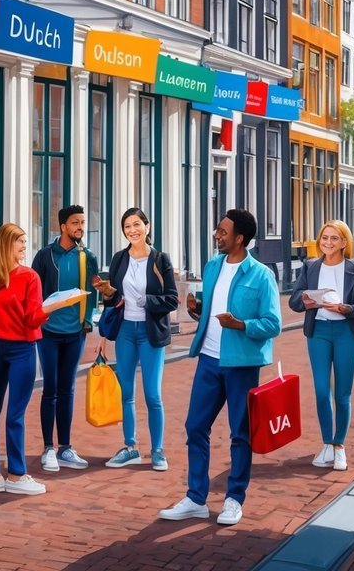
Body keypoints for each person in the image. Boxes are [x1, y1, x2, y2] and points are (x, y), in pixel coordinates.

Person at [159, 209, 281, 527]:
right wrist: (198, 310)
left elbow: (273, 323)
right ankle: (196, 498)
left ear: (240, 238)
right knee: (195, 427)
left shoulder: (261, 275)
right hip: (209, 360)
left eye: (223, 231)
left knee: (240, 434)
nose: (217, 235)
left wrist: (240, 324)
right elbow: (211, 311)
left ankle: (233, 499)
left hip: (241, 364)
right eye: (217, 230)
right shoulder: (212, 267)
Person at [0, 223, 62, 497]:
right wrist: (52, 308)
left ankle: (4, 474)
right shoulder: (16, 277)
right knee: (0, 413)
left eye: (25, 242)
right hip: (14, 348)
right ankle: (1, 474)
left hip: (1, 347)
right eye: (21, 242)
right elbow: (31, 318)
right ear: (6, 245)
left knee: (4, 413)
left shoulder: (2, 276)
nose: (25, 247)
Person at [95, 208, 178, 472]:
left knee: (153, 394)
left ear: (147, 226)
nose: (132, 230)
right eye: (127, 227)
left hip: (150, 331)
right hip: (125, 332)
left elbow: (172, 299)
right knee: (126, 393)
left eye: (136, 225)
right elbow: (112, 300)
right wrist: (108, 293)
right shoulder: (119, 259)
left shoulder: (160, 259)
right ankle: (130, 447)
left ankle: (157, 450)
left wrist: (147, 301)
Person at [289, 221, 354, 472]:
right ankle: (326, 442)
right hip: (319, 332)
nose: (328, 243)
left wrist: (344, 309)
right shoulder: (310, 267)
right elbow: (294, 301)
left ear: (344, 243)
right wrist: (307, 302)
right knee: (322, 390)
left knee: (342, 394)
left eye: (334, 238)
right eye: (324, 237)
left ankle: (339, 446)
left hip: (347, 333)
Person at [29, 205, 99, 473]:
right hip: (48, 333)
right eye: (75, 223)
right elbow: (34, 291)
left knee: (68, 389)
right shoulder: (45, 256)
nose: (80, 227)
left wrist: (88, 319)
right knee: (51, 388)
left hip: (75, 333)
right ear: (63, 227)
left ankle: (66, 447)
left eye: (82, 222)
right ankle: (48, 448)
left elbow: (93, 292)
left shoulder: (88, 257)